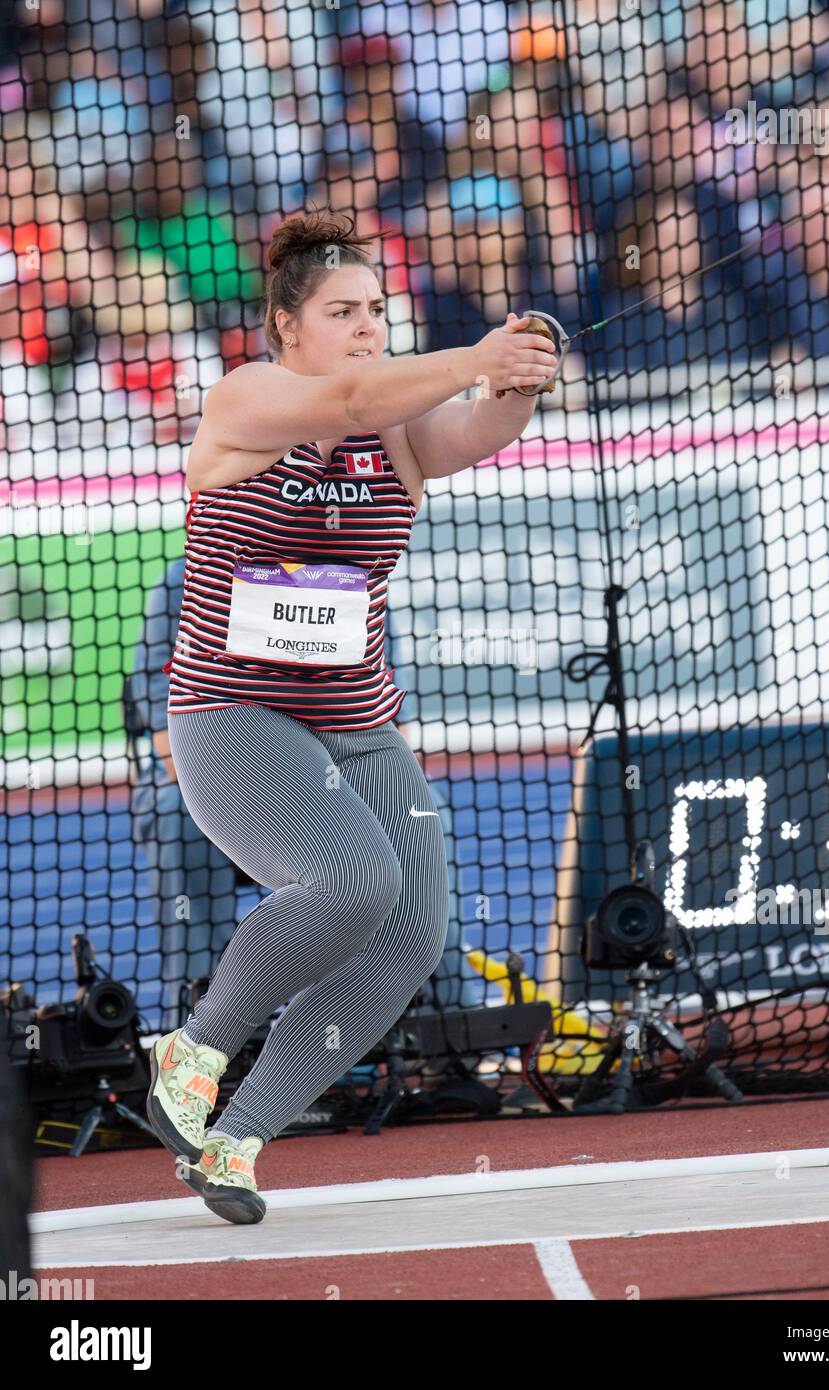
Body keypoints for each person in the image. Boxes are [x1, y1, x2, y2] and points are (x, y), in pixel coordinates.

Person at [144, 206, 557, 1224]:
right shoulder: (246, 397)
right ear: (288, 326)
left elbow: (465, 431)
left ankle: (234, 1140)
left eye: (376, 308)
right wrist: (473, 352)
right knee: (350, 879)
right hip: (233, 714)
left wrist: (511, 386)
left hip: (358, 722)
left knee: (412, 931)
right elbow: (349, 393)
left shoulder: (394, 424)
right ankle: (192, 1049)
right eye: (344, 310)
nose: (368, 325)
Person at [126, 555, 483, 1036]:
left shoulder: (355, 574)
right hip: (227, 777)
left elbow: (386, 717)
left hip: (333, 772)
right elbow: (162, 709)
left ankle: (447, 1022)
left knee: (421, 808)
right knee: (175, 813)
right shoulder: (189, 574)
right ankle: (198, 1032)